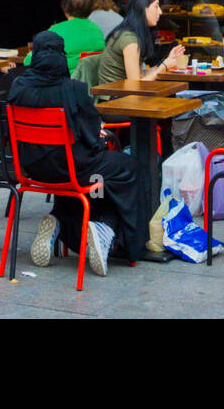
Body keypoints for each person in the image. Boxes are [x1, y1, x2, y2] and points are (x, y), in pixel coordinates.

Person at [9, 30, 147, 274]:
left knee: (91, 171)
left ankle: (60, 221)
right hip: (73, 170)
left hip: (31, 170)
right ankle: (107, 229)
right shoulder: (73, 90)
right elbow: (92, 136)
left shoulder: (18, 87)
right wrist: (97, 135)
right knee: (126, 167)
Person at [97, 0, 185, 84]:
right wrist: (164, 67)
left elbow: (141, 74)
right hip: (113, 96)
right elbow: (135, 85)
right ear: (143, 9)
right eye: (156, 6)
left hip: (121, 94)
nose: (160, 12)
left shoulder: (134, 34)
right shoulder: (129, 39)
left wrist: (167, 61)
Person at [24, 0, 105, 74]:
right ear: (90, 8)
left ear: (64, 7)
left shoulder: (56, 30)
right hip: (90, 84)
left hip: (62, 84)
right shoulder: (96, 30)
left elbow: (29, 61)